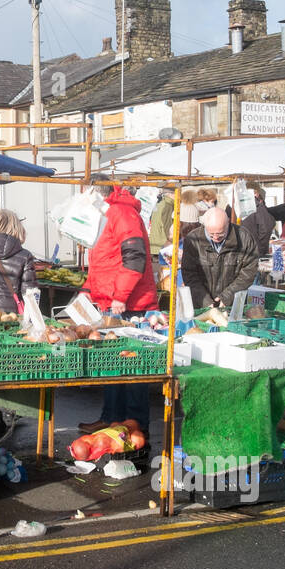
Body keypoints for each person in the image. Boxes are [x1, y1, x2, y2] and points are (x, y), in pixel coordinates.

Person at [80, 185, 158, 435]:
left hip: (130, 305)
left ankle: (136, 426)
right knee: (113, 365)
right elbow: (103, 263)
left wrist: (120, 296)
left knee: (133, 367)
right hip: (111, 302)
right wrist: (86, 291)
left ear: (97, 193)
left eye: (85, 193)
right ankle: (111, 418)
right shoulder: (105, 216)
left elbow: (135, 257)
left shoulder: (122, 213)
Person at [181, 208, 260, 309]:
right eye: (211, 234)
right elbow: (189, 274)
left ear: (228, 224)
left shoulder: (244, 238)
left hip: (233, 304)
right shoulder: (193, 240)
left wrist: (228, 296)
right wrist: (205, 301)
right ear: (205, 226)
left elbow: (248, 272)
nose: (216, 238)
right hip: (201, 305)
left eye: (220, 234)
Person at [243, 186, 276, 257]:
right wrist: (261, 248)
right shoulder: (258, 207)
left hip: (242, 250)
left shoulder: (234, 205)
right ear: (256, 194)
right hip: (254, 252)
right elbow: (266, 228)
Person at [148, 189, 175, 255]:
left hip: (155, 244)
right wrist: (171, 241)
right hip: (162, 245)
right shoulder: (167, 205)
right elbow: (167, 225)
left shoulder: (160, 203)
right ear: (171, 194)